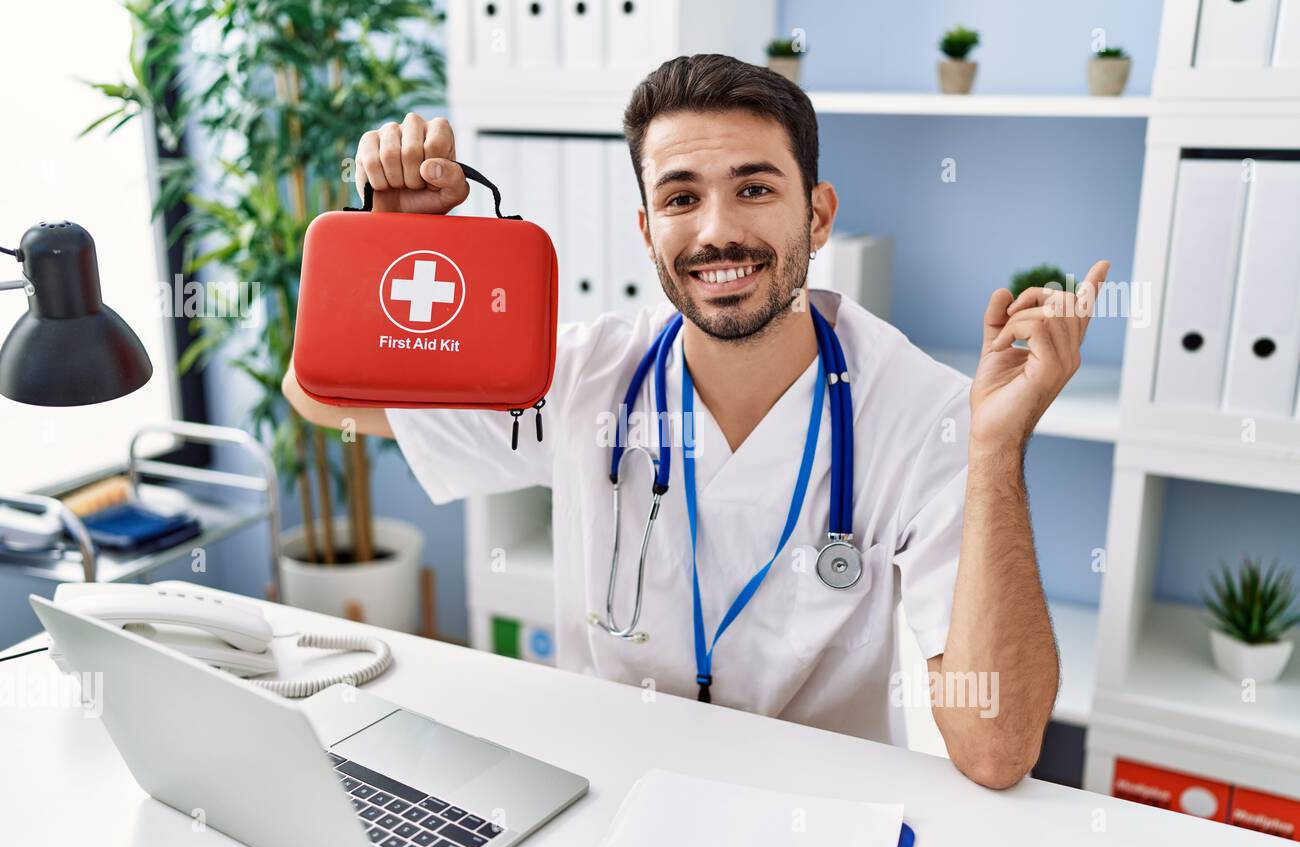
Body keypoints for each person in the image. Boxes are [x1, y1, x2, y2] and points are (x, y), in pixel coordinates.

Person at [284, 53, 1110, 789]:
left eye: (754, 187)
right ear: (648, 232)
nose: (717, 231)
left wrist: (997, 450)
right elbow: (325, 397)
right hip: (605, 789)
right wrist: (390, 244)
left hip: (817, 815)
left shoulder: (918, 410)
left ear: (817, 217)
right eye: (682, 197)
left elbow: (996, 751)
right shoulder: (577, 375)